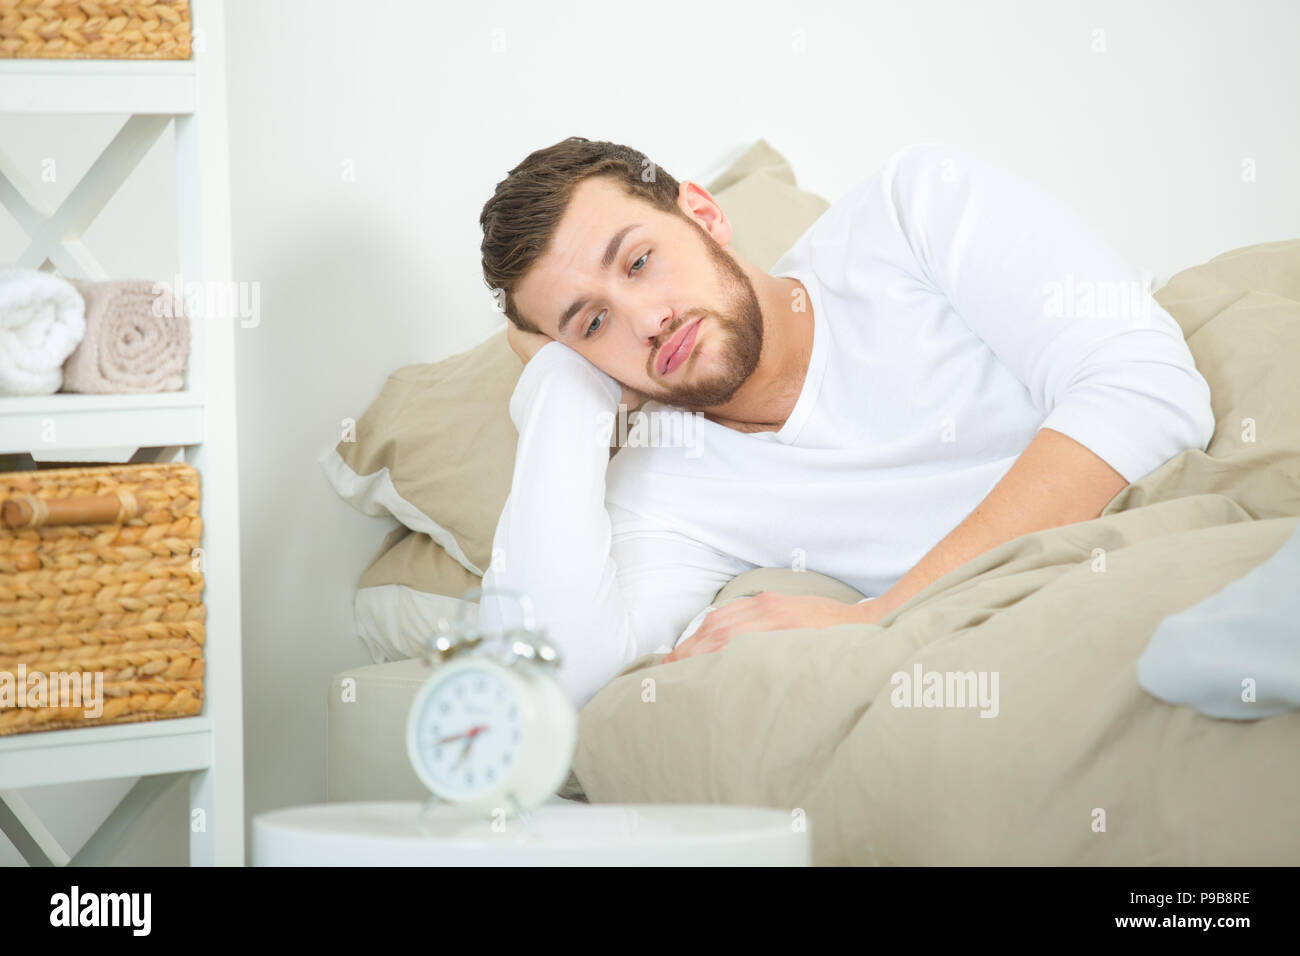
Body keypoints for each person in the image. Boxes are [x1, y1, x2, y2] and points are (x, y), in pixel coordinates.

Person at [476, 136, 1215, 709]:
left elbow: (1150, 391)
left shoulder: (912, 210)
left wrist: (881, 616)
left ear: (703, 214)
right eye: (594, 322)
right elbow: (559, 684)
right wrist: (562, 390)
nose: (645, 319)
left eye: (639, 262)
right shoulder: (666, 485)